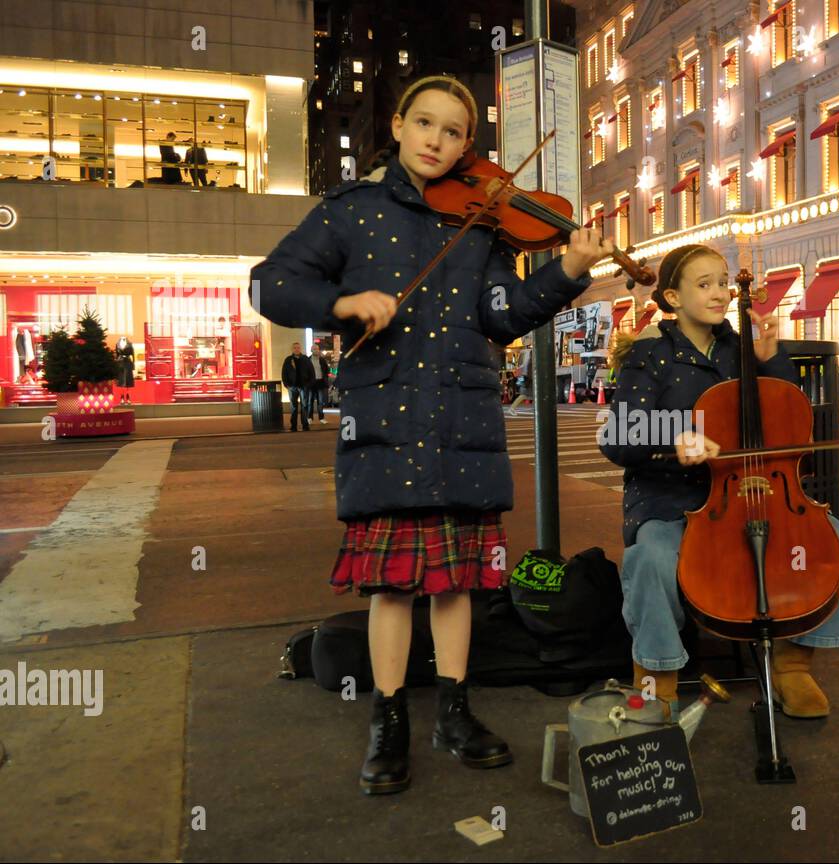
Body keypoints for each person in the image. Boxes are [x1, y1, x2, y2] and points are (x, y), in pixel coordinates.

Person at [250, 74, 610, 795]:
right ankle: (389, 721)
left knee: (460, 588)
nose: (437, 141)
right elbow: (267, 285)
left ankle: (454, 710)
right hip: (384, 421)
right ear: (398, 123)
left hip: (464, 421)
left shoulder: (482, 228)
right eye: (425, 124)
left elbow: (503, 314)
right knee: (390, 586)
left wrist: (568, 270)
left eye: (453, 132)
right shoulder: (350, 212)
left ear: (467, 145)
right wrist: (341, 300)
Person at [600, 244, 839, 720]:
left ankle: (794, 665)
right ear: (672, 297)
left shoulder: (740, 349)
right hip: (672, 499)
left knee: (832, 537)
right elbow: (618, 435)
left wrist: (770, 359)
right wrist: (674, 440)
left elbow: (785, 417)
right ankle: (658, 682)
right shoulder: (649, 355)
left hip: (752, 493)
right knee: (652, 557)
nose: (719, 293)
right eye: (705, 284)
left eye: (722, 282)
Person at [280, 341, 314, 431]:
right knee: (293, 407)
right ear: (292, 349)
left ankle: (305, 425)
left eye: (298, 347)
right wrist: (286, 384)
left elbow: (311, 371)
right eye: (295, 348)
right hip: (292, 387)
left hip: (304, 386)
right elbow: (284, 372)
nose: (296, 349)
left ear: (300, 348)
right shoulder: (288, 360)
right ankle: (293, 426)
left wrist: (309, 384)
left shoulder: (306, 359)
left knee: (304, 406)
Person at [307, 342, 331, 423]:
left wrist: (325, 378)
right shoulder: (308, 360)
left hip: (320, 382)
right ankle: (309, 418)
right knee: (310, 401)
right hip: (311, 383)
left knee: (320, 401)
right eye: (314, 349)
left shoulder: (322, 360)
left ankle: (321, 418)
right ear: (311, 350)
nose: (316, 350)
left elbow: (327, 370)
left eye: (317, 349)